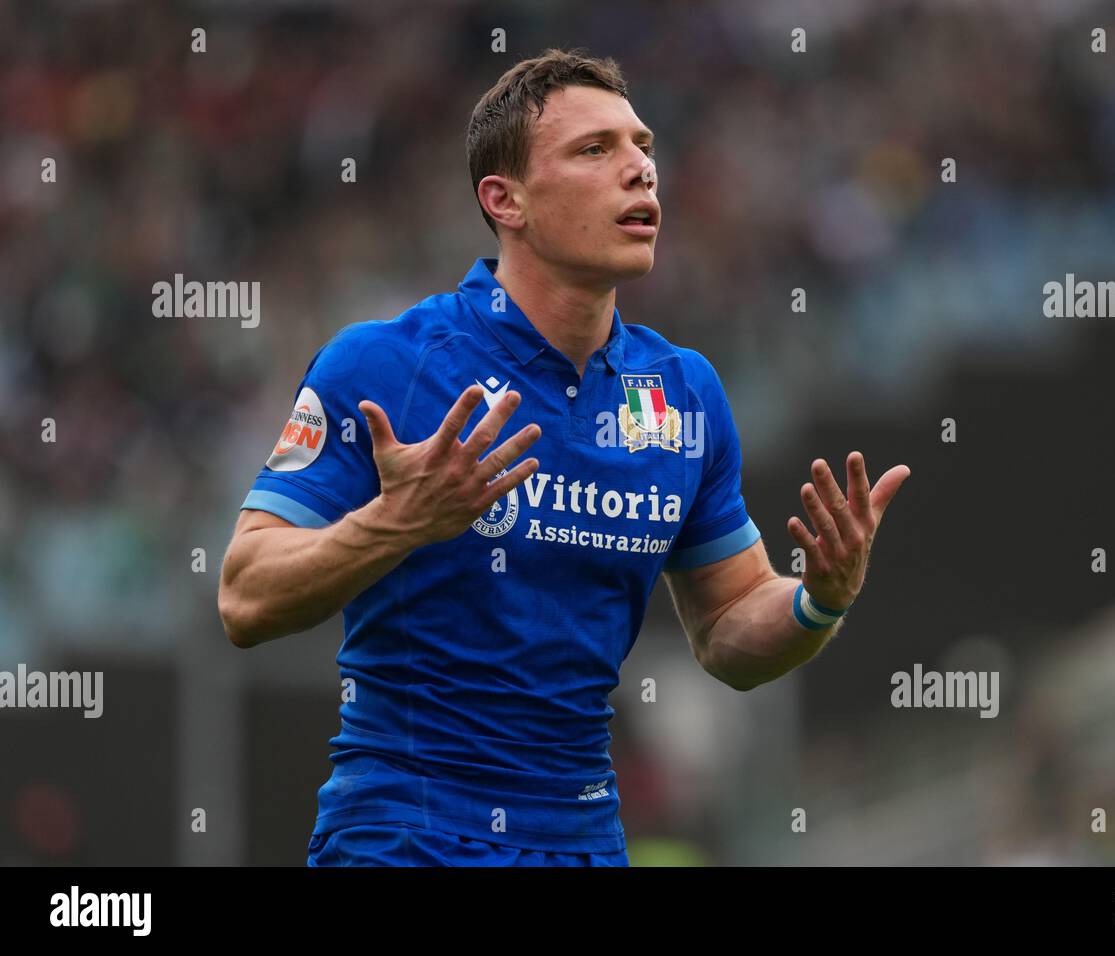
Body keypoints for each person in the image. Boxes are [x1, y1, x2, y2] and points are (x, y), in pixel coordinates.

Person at [217, 47, 910, 867]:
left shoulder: (684, 394)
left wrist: (816, 603)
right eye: (595, 150)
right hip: (406, 832)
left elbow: (728, 624)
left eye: (643, 147)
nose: (640, 171)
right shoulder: (383, 366)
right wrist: (395, 521)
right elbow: (244, 597)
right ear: (504, 200)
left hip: (582, 839)